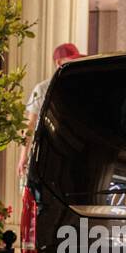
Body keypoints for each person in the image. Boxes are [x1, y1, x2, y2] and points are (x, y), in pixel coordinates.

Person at [17, 42, 83, 176]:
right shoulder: (43, 89)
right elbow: (30, 124)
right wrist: (23, 156)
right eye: (72, 60)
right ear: (59, 62)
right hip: (48, 152)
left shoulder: (79, 88)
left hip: (75, 151)